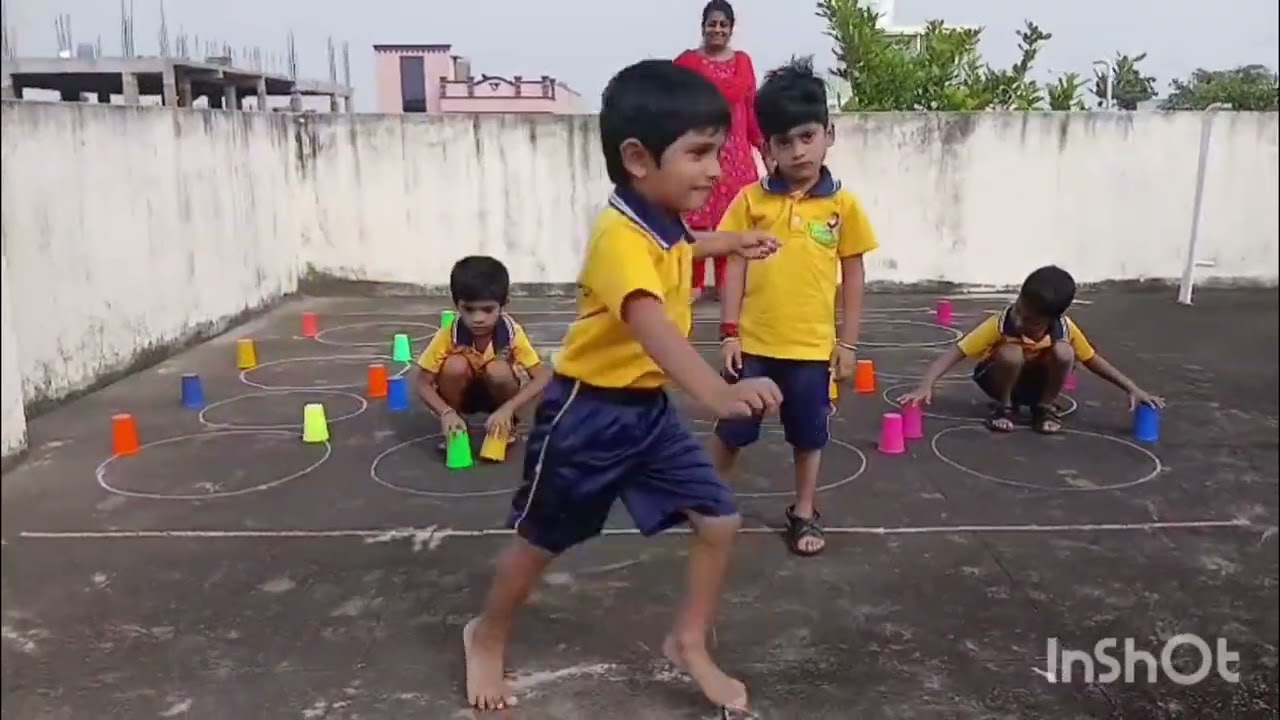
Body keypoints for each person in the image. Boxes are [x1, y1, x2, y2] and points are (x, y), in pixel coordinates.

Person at [461, 59, 784, 715]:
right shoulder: (617, 236)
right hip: (587, 413)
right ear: (638, 158)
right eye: (699, 154)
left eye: (719, 152)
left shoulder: (659, 219)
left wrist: (731, 242)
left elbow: (687, 245)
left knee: (719, 519)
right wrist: (717, 396)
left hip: (647, 414)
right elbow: (650, 325)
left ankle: (687, 640)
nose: (716, 170)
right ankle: (487, 633)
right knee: (542, 538)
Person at [711, 57, 879, 557]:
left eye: (807, 137)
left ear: (829, 134)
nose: (797, 151)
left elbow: (852, 274)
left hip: (810, 350)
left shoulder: (842, 206)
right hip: (755, 345)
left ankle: (804, 512)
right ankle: (709, 500)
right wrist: (729, 332)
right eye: (783, 142)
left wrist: (847, 343)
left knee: (809, 434)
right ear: (766, 149)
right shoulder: (749, 201)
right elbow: (734, 265)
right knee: (734, 428)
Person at [898, 265, 1165, 433]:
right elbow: (955, 352)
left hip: (1039, 384)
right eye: (1019, 311)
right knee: (1011, 352)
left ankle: (1044, 408)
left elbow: (1094, 361)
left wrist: (1131, 387)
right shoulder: (1001, 323)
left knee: (1065, 352)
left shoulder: (1065, 328)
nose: (1021, 320)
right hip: (999, 380)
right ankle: (1004, 408)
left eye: (1032, 320)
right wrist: (926, 385)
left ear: (1052, 319)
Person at [675, 0, 767, 302]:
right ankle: (693, 285)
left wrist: (764, 147)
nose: (717, 30)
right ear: (703, 27)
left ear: (731, 29)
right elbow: (674, 106)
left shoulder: (742, 63)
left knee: (733, 223)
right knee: (696, 220)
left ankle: (729, 287)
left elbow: (750, 108)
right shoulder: (687, 64)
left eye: (723, 25)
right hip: (701, 153)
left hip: (736, 159)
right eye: (712, 24)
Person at [413, 256, 551, 452]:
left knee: (498, 370)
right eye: (468, 309)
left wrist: (509, 408)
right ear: (456, 305)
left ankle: (506, 424)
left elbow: (542, 377)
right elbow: (422, 382)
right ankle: (457, 424)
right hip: (462, 395)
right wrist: (446, 412)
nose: (478, 319)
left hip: (497, 395)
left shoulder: (512, 332)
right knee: (455, 365)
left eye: (487, 310)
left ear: (503, 304)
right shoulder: (448, 335)